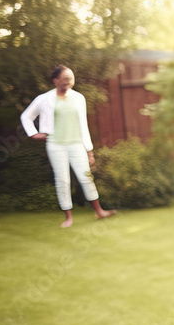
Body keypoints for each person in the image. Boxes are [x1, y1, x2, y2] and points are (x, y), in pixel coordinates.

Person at [20, 65, 115, 228]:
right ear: (55, 80)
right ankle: (68, 218)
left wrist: (89, 150)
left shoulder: (79, 98)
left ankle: (99, 211)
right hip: (56, 145)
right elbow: (26, 116)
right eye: (64, 79)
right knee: (62, 180)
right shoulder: (45, 99)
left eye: (70, 79)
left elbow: (83, 125)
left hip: (76, 144)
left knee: (86, 177)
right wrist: (34, 133)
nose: (68, 82)